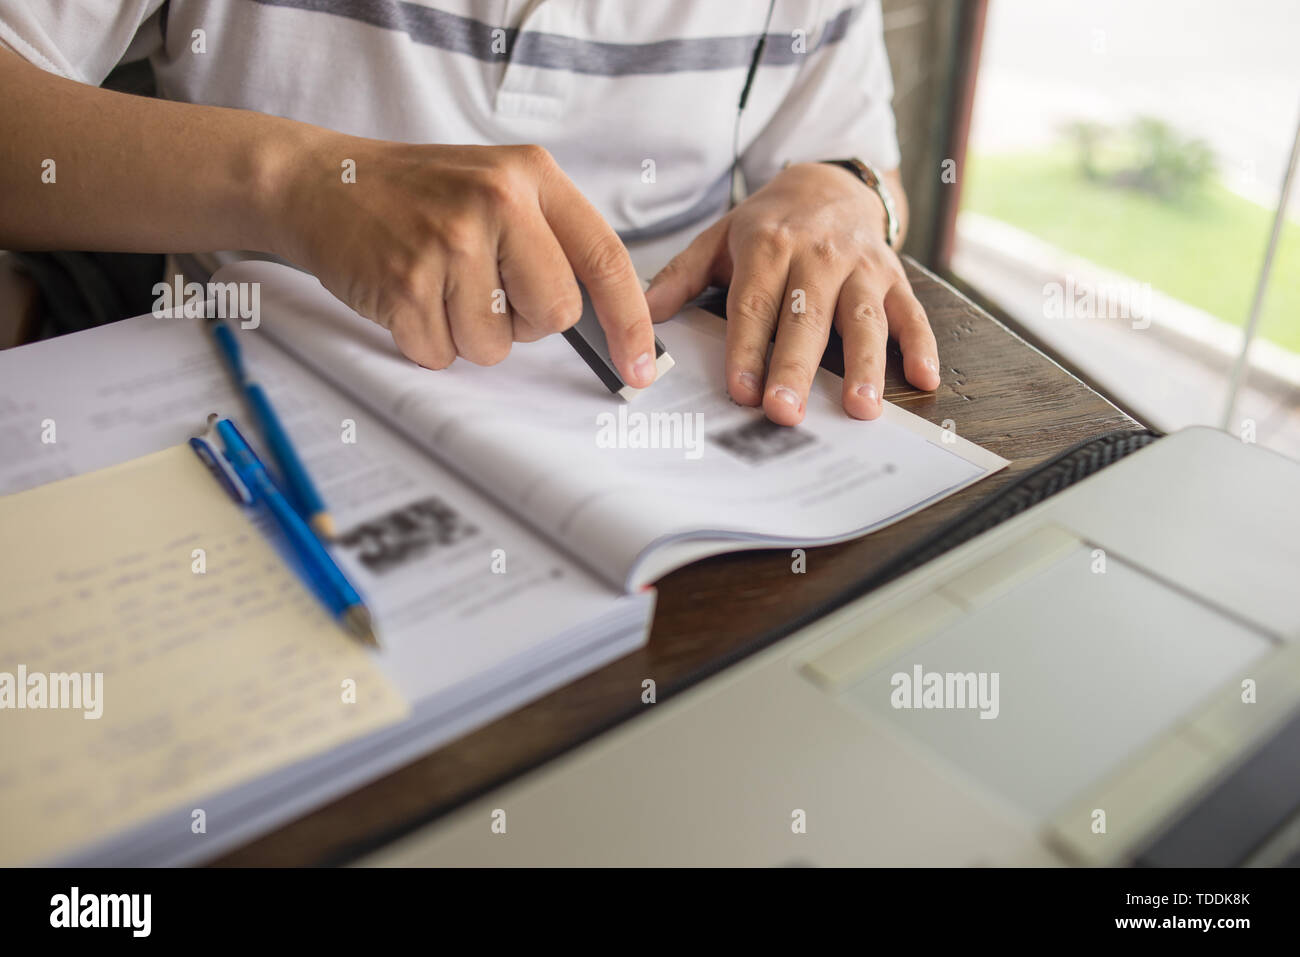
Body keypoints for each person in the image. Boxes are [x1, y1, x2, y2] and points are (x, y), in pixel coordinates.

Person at [0, 0, 940, 426]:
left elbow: (860, 165)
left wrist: (845, 191)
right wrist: (295, 188)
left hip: (651, 454)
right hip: (236, 430)